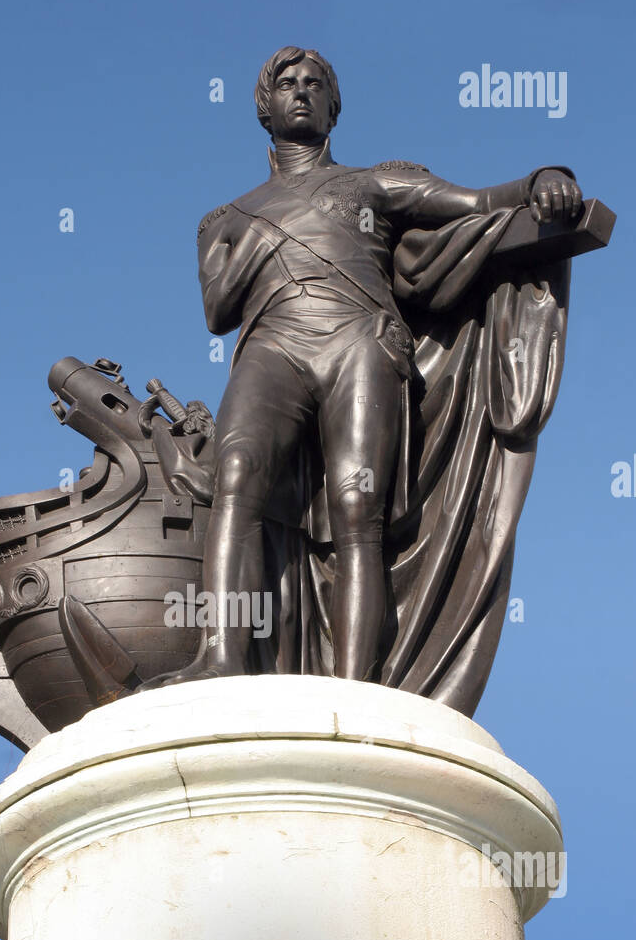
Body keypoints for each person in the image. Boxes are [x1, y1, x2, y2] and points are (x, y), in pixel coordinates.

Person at [158, 46, 581, 685]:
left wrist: (541, 177)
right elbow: (218, 309)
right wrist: (273, 227)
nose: (301, 92)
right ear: (263, 108)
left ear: (333, 107)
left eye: (315, 84)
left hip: (361, 342)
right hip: (274, 344)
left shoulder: (373, 183)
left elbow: (479, 202)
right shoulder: (222, 219)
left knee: (359, 509)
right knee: (236, 474)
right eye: (288, 85)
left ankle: (356, 687)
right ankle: (218, 654)